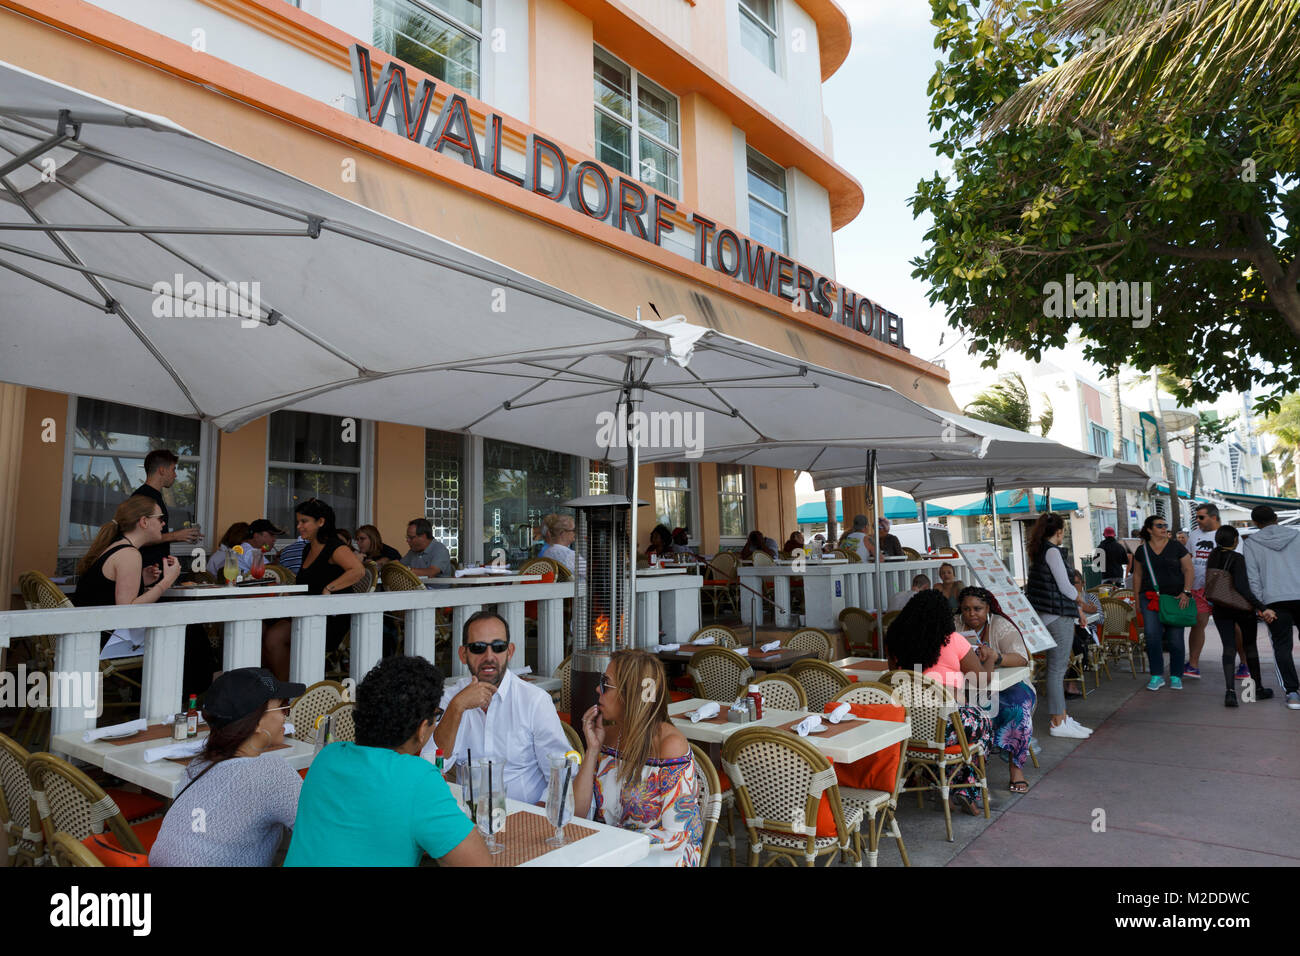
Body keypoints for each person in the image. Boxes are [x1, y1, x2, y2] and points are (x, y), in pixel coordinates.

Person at [285, 655, 491, 866]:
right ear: (422, 729)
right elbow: (479, 863)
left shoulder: (327, 757)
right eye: (436, 716)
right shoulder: (418, 778)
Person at [148, 668, 305, 866]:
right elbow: (320, 831)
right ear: (256, 723)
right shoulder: (270, 771)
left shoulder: (197, 764)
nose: (286, 716)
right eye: (284, 708)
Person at [72, 496, 216, 694]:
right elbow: (128, 611)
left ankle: (173, 693)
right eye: (160, 519)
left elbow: (108, 593)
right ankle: (185, 697)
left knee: (187, 628)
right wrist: (166, 581)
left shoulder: (117, 547)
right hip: (106, 640)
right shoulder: (129, 554)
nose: (164, 524)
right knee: (189, 631)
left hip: (92, 632)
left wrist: (142, 580)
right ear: (144, 522)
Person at [422, 611, 569, 802]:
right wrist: (457, 707)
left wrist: (537, 819)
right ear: (463, 654)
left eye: (498, 647)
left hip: (526, 814)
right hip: (469, 818)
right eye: (478, 647)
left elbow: (562, 772)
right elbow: (432, 765)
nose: (489, 656)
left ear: (510, 652)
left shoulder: (534, 701)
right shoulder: (450, 699)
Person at [573, 649, 702, 866]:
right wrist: (592, 750)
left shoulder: (670, 747)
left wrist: (609, 846)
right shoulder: (608, 736)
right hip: (608, 856)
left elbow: (676, 837)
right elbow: (576, 813)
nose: (597, 689)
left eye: (605, 683)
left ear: (629, 693)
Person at [885, 590, 994, 815]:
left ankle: (941, 784)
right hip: (946, 726)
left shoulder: (895, 641)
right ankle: (966, 790)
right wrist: (991, 659)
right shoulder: (954, 640)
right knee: (984, 724)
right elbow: (981, 681)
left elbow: (894, 676)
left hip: (907, 727)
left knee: (961, 729)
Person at [262, 499, 365, 682]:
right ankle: (278, 684)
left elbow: (358, 570)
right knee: (260, 629)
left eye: (304, 521)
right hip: (307, 610)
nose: (299, 526)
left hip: (331, 616)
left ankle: (285, 693)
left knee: (274, 638)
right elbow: (310, 583)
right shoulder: (308, 548)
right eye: (298, 521)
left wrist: (329, 588)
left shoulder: (335, 547)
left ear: (321, 522)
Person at [955, 586, 1034, 793]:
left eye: (977, 608)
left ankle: (1016, 769)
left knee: (1017, 708)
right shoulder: (954, 625)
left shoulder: (1001, 625)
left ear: (988, 608)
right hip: (971, 687)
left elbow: (1022, 657)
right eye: (966, 609)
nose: (971, 613)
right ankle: (967, 772)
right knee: (957, 711)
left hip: (1010, 686)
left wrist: (996, 657)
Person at [1024, 512, 1093, 738]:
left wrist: (1077, 610)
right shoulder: (1052, 551)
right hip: (1057, 616)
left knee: (1056, 669)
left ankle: (1062, 717)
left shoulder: (1039, 551)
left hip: (1048, 613)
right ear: (1060, 531)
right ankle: (1057, 721)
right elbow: (1064, 585)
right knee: (1057, 670)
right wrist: (1080, 600)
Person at [1206, 525, 1274, 707]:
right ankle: (1256, 689)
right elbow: (1243, 588)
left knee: (1228, 647)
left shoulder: (1213, 556)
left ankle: (1230, 692)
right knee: (1250, 646)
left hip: (1220, 607)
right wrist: (1260, 606)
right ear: (1235, 540)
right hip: (1241, 608)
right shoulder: (1237, 558)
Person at [1243, 505, 1300, 710]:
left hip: (1274, 600)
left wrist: (1261, 606)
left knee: (1282, 646)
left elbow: (1253, 578)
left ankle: (1292, 693)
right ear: (1276, 518)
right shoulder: (1297, 536)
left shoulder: (1251, 544)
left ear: (1255, 523)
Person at [1131, 514, 1194, 692]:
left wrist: (1186, 592)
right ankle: (1157, 675)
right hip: (1149, 597)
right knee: (1152, 636)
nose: (1164, 528)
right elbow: (1137, 575)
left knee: (1175, 638)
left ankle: (1176, 675)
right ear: (1149, 529)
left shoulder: (1176, 547)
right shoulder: (1141, 550)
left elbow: (1188, 569)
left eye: (1165, 525)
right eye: (1159, 525)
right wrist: (1136, 599)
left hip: (1175, 598)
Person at [1185, 503, 1238, 680]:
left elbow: (1237, 561)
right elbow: (1188, 560)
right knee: (1198, 624)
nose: (1197, 521)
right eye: (1196, 517)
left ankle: (1245, 663)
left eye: (1201, 517)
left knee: (1235, 628)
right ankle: (1193, 665)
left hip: (1224, 589)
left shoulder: (1229, 535)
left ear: (1214, 517)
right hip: (1199, 589)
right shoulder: (1194, 535)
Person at [130, 448, 201, 573]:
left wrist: (179, 536)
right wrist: (176, 535)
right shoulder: (142, 497)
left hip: (155, 570)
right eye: (173, 469)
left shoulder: (155, 495)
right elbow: (135, 538)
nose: (175, 474)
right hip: (145, 572)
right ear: (162, 470)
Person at [1065, 569, 1103, 699]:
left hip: (1088, 633)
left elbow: (1101, 619)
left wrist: (1090, 611)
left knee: (1078, 644)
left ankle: (1072, 682)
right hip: (1069, 634)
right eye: (1071, 584)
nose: (1074, 587)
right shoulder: (1067, 599)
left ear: (1083, 583)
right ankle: (1071, 682)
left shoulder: (1091, 597)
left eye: (1076, 583)